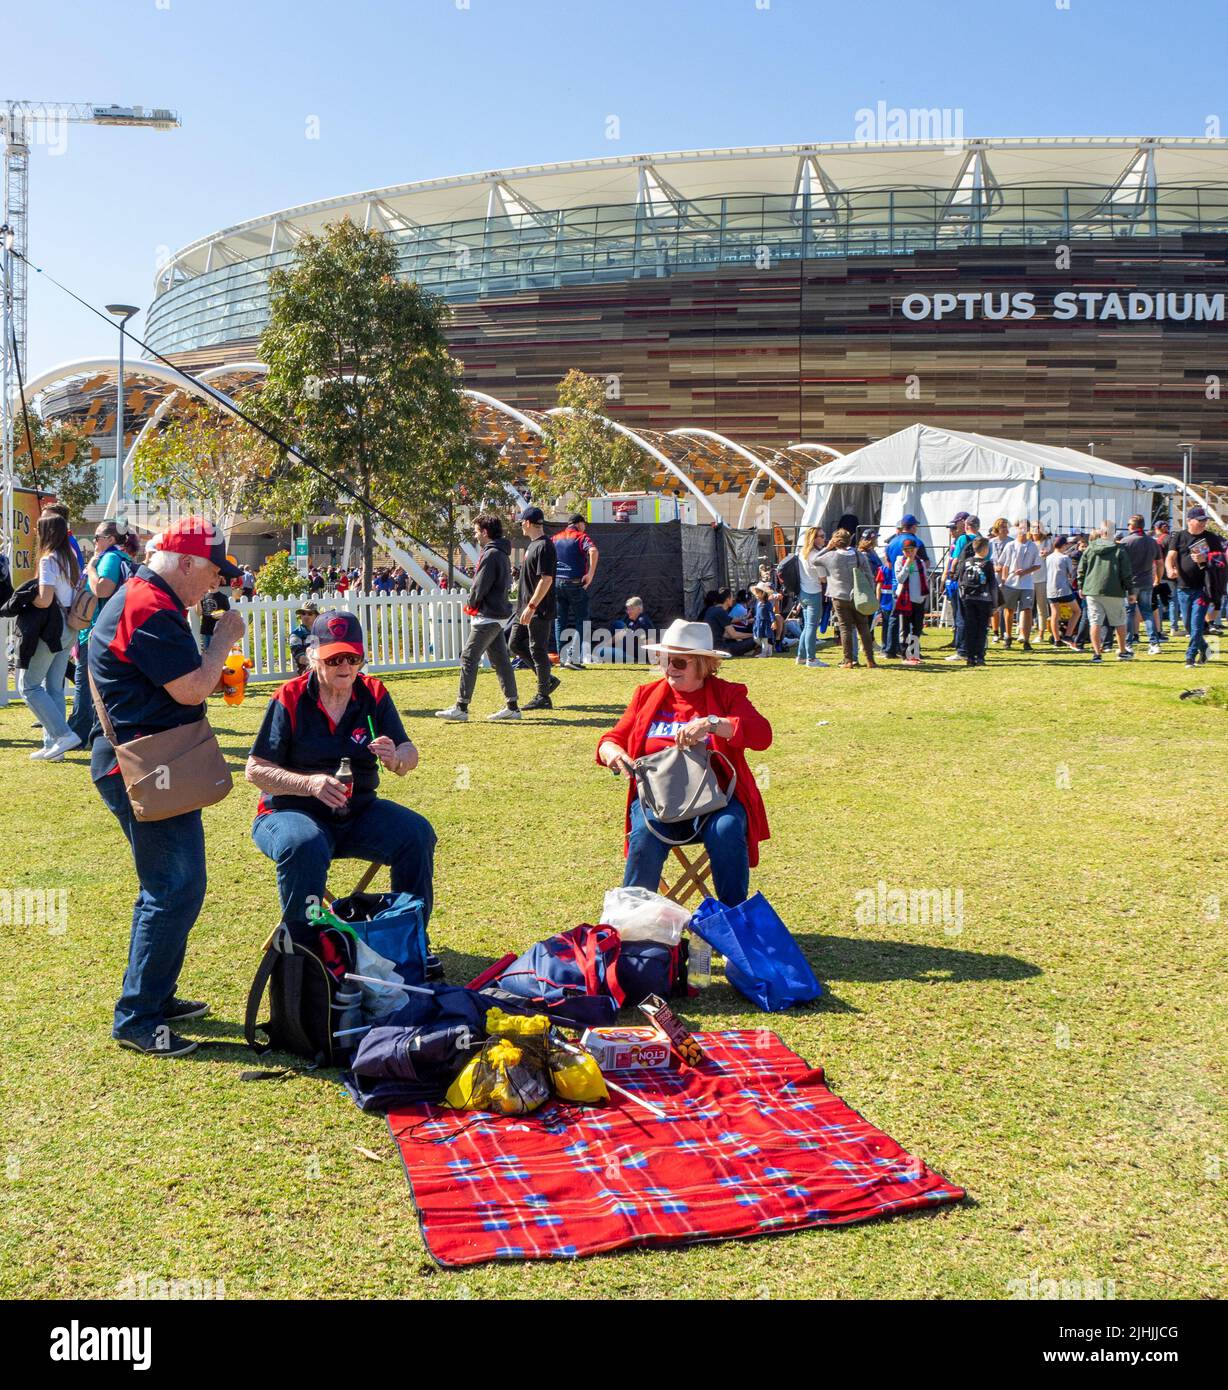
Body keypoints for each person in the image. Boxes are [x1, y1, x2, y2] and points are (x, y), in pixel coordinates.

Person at [89, 518, 248, 1057]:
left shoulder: (147, 596)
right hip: (144, 768)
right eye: (211, 573)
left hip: (148, 763)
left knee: (167, 887)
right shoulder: (149, 606)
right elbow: (191, 689)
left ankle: (152, 997)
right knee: (174, 889)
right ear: (184, 561)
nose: (214, 585)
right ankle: (139, 1017)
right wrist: (222, 640)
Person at [247, 609, 435, 934]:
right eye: (334, 659)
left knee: (417, 834)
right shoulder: (289, 697)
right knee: (304, 844)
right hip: (290, 812)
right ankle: (305, 954)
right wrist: (310, 784)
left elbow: (409, 753)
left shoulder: (373, 693)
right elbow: (256, 770)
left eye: (353, 658)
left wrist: (396, 758)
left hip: (357, 811)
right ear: (312, 657)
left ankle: (407, 939)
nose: (345, 667)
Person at [595, 618, 772, 907]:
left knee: (726, 831)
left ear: (703, 664)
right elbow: (611, 738)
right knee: (644, 834)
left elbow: (762, 735)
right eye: (663, 660)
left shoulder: (728, 694)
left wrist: (712, 724)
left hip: (716, 800)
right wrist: (613, 753)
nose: (668, 669)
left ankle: (732, 920)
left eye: (678, 663)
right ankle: (634, 923)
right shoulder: (646, 695)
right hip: (660, 800)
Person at [436, 513, 521, 722]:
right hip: (497, 614)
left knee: (468, 657)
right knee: (501, 661)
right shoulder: (501, 552)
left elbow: (480, 585)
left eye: (476, 532)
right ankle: (512, 706)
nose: (475, 536)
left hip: (488, 616)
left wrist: (471, 602)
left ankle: (461, 707)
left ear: (485, 532)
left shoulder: (491, 554)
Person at [67, 519, 133, 746]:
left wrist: (92, 568)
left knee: (85, 684)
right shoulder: (124, 558)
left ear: (111, 539)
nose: (94, 542)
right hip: (112, 629)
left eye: (97, 537)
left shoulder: (110, 559)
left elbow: (103, 587)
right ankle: (91, 731)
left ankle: (77, 733)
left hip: (99, 631)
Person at [23, 513, 82, 761]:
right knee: (54, 686)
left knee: (30, 686)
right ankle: (54, 746)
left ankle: (62, 735)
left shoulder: (48, 560)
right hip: (70, 625)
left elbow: (45, 598)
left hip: (52, 626)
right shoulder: (69, 559)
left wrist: (25, 600)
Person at [507, 505, 560, 709]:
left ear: (528, 523)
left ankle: (543, 696)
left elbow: (546, 579)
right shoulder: (533, 545)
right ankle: (547, 680)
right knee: (515, 644)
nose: (521, 526)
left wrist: (532, 605)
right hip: (525, 608)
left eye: (522, 522)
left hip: (538, 608)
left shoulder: (545, 546)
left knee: (537, 649)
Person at [1166, 506, 1225, 668]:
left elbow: (1221, 561)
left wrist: (1204, 558)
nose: (1203, 523)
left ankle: (1190, 657)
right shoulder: (1179, 536)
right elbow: (1170, 556)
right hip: (1183, 588)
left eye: (1205, 520)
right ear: (1189, 521)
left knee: (1196, 624)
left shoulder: (1212, 538)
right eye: (1200, 521)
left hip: (1203, 589)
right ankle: (1206, 649)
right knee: (1186, 625)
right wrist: (1170, 569)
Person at [816, 528, 877, 668]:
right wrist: (871, 592)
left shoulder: (830, 556)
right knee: (863, 627)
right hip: (858, 595)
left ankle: (848, 660)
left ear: (835, 541)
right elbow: (868, 574)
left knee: (845, 629)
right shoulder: (857, 554)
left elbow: (815, 560)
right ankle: (870, 660)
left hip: (838, 597)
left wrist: (827, 547)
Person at [1077, 520, 1135, 662]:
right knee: (1119, 622)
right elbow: (1126, 573)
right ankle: (1122, 651)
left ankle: (1097, 654)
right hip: (1114, 590)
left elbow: (1081, 569)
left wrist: (1081, 586)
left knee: (1095, 622)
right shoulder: (1119, 549)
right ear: (1113, 533)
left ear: (1101, 532)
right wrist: (1131, 591)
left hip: (1092, 590)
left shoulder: (1090, 548)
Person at [552, 513, 598, 669]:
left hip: (557, 583)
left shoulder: (555, 538)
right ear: (579, 524)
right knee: (582, 620)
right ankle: (573, 657)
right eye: (584, 524)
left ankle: (563, 659)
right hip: (575, 583)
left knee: (560, 620)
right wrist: (590, 575)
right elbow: (593, 551)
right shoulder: (581, 537)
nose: (584, 527)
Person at [997, 520, 1042, 652]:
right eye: (1021, 528)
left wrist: (1025, 571)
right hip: (1011, 583)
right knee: (1009, 610)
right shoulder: (1010, 545)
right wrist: (1004, 579)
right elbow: (1004, 564)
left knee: (1027, 610)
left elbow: (1037, 564)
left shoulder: (1032, 546)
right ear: (1017, 529)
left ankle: (1026, 639)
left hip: (1027, 584)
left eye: (1025, 528)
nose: (1023, 530)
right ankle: (1008, 636)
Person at [1122, 514, 1163, 654]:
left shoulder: (1125, 542)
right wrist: (1158, 578)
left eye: (1128, 524)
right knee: (1147, 612)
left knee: (1129, 612)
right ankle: (1154, 643)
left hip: (1131, 584)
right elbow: (1159, 563)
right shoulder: (1152, 542)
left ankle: (1127, 643)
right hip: (1146, 582)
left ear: (1132, 526)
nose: (1127, 526)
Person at [955, 535, 999, 666]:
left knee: (970, 627)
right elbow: (993, 585)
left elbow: (959, 581)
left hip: (968, 599)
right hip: (983, 599)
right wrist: (995, 604)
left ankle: (970, 657)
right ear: (985, 549)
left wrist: (963, 597)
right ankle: (980, 656)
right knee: (981, 629)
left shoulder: (967, 562)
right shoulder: (987, 564)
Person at [892, 535, 928, 664]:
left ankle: (914, 653)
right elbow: (900, 579)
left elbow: (924, 579)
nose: (909, 553)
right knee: (905, 628)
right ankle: (904, 654)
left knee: (917, 628)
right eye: (907, 550)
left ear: (916, 550)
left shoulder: (920, 562)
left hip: (918, 599)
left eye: (912, 550)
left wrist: (924, 596)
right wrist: (908, 563)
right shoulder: (900, 561)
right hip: (905, 599)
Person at [795, 527, 828, 668]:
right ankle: (811, 659)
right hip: (814, 593)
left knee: (807, 627)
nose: (823, 538)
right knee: (811, 627)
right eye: (821, 536)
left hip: (803, 593)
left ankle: (801, 656)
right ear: (814, 538)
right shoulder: (816, 556)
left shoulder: (802, 553)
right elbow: (823, 579)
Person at [593, 596, 653, 663]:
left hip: (632, 655)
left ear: (639, 609)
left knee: (600, 651)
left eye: (631, 609)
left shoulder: (642, 622)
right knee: (617, 624)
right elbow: (623, 633)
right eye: (628, 609)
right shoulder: (633, 620)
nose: (628, 612)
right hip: (626, 646)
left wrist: (628, 638)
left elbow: (649, 643)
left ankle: (604, 650)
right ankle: (606, 646)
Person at [941, 512, 970, 654]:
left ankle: (962, 643)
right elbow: (950, 560)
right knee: (955, 612)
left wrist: (949, 574)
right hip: (951, 581)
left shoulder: (965, 540)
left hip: (959, 579)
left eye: (954, 527)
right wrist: (944, 577)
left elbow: (956, 561)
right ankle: (956, 639)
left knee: (961, 613)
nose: (952, 531)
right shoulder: (955, 542)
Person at [701, 587, 758, 658]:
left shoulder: (711, 609)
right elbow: (734, 635)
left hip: (711, 646)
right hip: (721, 649)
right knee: (756, 639)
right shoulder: (721, 612)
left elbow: (726, 634)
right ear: (727, 600)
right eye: (732, 597)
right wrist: (754, 635)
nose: (733, 599)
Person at [1045, 536, 1080, 648]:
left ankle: (1056, 639)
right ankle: (1068, 635)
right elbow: (1071, 573)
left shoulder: (1048, 557)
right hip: (1063, 589)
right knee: (1077, 611)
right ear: (1064, 545)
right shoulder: (1065, 558)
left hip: (1050, 588)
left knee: (1055, 613)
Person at [199, 581, 232, 653]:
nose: (212, 583)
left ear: (218, 583)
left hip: (217, 631)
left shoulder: (223, 597)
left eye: (215, 581)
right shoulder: (203, 597)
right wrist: (198, 600)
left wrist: (218, 614)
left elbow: (227, 613)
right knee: (206, 653)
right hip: (205, 630)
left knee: (216, 654)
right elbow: (199, 612)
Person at [288, 600, 319, 674]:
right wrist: (318, 664)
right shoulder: (296, 634)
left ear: (316, 616)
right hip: (308, 670)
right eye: (303, 613)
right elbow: (300, 658)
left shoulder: (322, 632)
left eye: (310, 613)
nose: (306, 616)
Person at [750, 582, 776, 657]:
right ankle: (768, 647)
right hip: (758, 623)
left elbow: (771, 613)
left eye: (758, 593)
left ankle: (764, 653)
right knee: (756, 638)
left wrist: (773, 621)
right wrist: (753, 618)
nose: (756, 595)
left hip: (765, 623)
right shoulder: (757, 603)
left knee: (764, 639)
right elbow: (757, 612)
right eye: (756, 593)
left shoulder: (767, 604)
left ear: (763, 593)